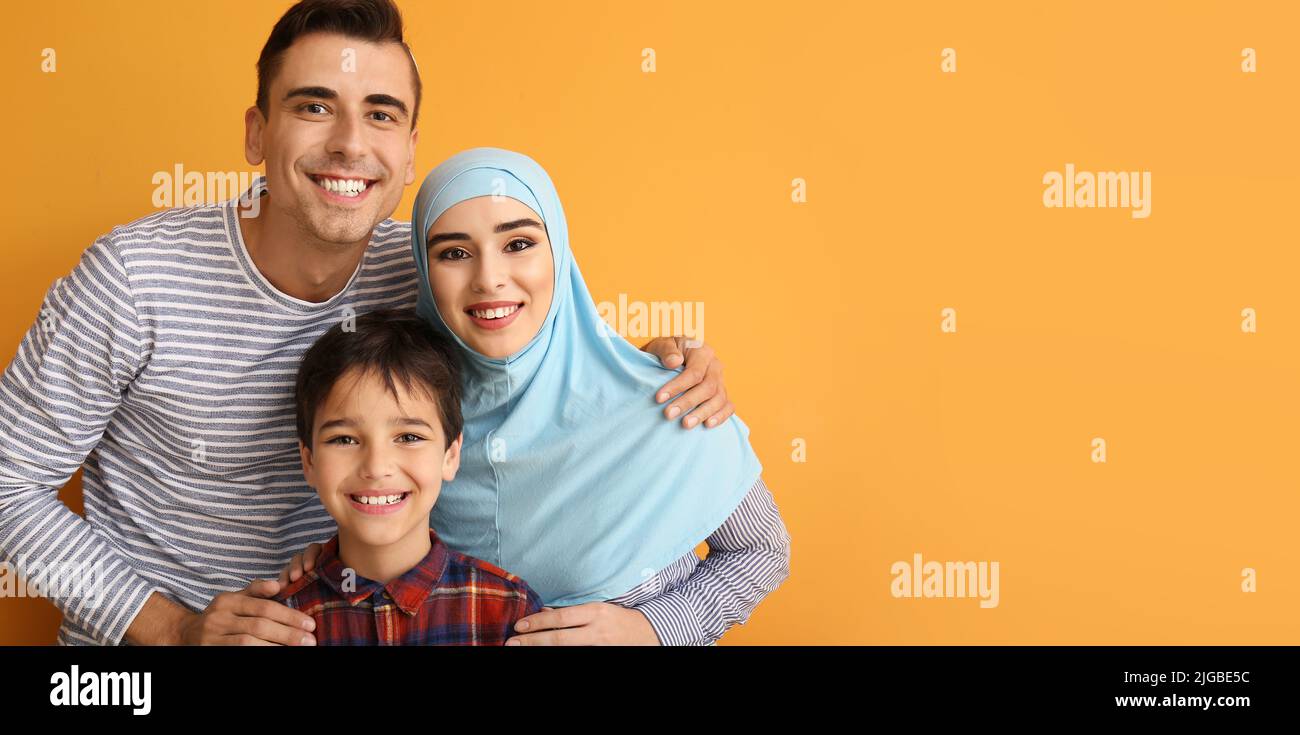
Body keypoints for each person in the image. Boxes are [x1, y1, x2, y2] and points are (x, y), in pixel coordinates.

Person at [0, 0, 732, 646]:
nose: (351, 142)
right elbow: (7, 482)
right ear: (257, 133)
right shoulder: (133, 280)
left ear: (410, 149)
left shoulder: (431, 268)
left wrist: (650, 365)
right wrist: (171, 628)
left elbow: (545, 358)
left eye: (381, 112)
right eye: (314, 106)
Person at [289, 148, 792, 645]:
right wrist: (333, 568)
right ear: (424, 269)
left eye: (519, 244)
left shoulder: (673, 395)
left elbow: (762, 550)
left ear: (559, 252)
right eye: (454, 253)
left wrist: (654, 628)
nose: (489, 279)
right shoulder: (414, 415)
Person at [275, 311, 544, 645]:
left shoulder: (509, 613)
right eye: (344, 439)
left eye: (408, 437)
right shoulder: (278, 624)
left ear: (450, 455)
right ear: (309, 461)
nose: (376, 467)